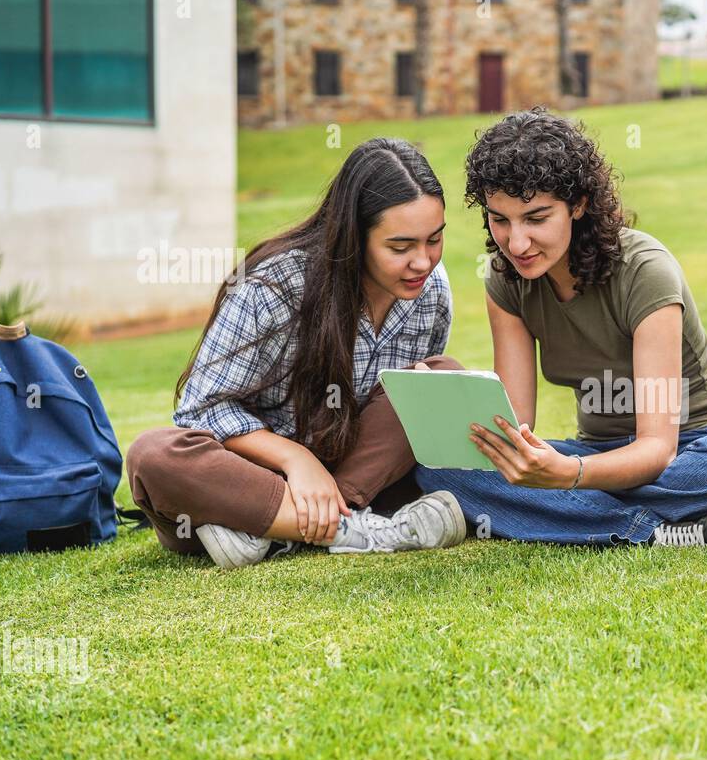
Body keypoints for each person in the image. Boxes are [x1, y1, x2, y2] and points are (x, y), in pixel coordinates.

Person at [412, 109, 707, 549]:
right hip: (596, 454)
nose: (516, 243)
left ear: (578, 204)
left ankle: (586, 518)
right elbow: (517, 431)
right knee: (438, 470)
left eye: (536, 218)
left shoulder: (645, 271)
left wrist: (569, 477)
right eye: (500, 220)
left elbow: (657, 448)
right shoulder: (506, 280)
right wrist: (455, 405)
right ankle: (660, 532)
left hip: (689, 450)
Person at [125, 138, 467, 568]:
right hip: (251, 477)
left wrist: (422, 400)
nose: (423, 262)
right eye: (400, 248)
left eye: (434, 240)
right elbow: (200, 411)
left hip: (350, 476)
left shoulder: (431, 292)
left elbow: (402, 424)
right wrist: (296, 459)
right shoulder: (270, 289)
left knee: (440, 377)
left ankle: (273, 531)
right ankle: (354, 529)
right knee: (153, 455)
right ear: (353, 237)